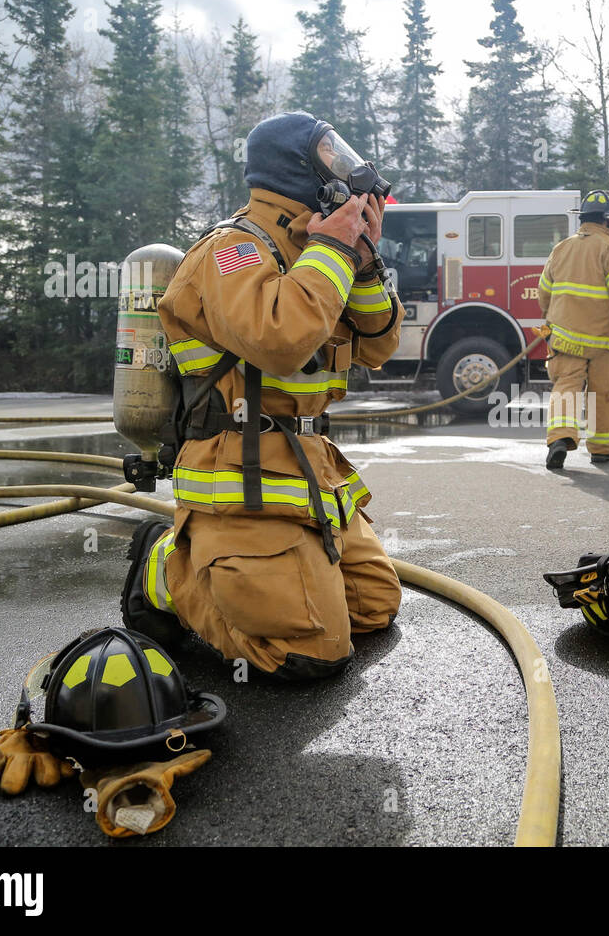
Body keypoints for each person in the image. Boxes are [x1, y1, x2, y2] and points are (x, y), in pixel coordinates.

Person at [120, 111, 404, 680]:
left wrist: (364, 260)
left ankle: (250, 576)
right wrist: (334, 252)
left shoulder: (320, 252)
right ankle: (165, 572)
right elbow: (279, 340)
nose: (349, 170)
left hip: (308, 479)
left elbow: (378, 347)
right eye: (333, 155)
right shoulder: (231, 250)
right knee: (306, 653)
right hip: (239, 477)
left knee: (373, 609)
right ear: (295, 167)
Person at [539, 190, 609, 469]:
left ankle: (560, 438)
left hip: (564, 338)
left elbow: (544, 292)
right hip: (601, 342)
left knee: (566, 386)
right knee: (601, 393)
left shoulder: (561, 248)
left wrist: (550, 319)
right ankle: (601, 449)